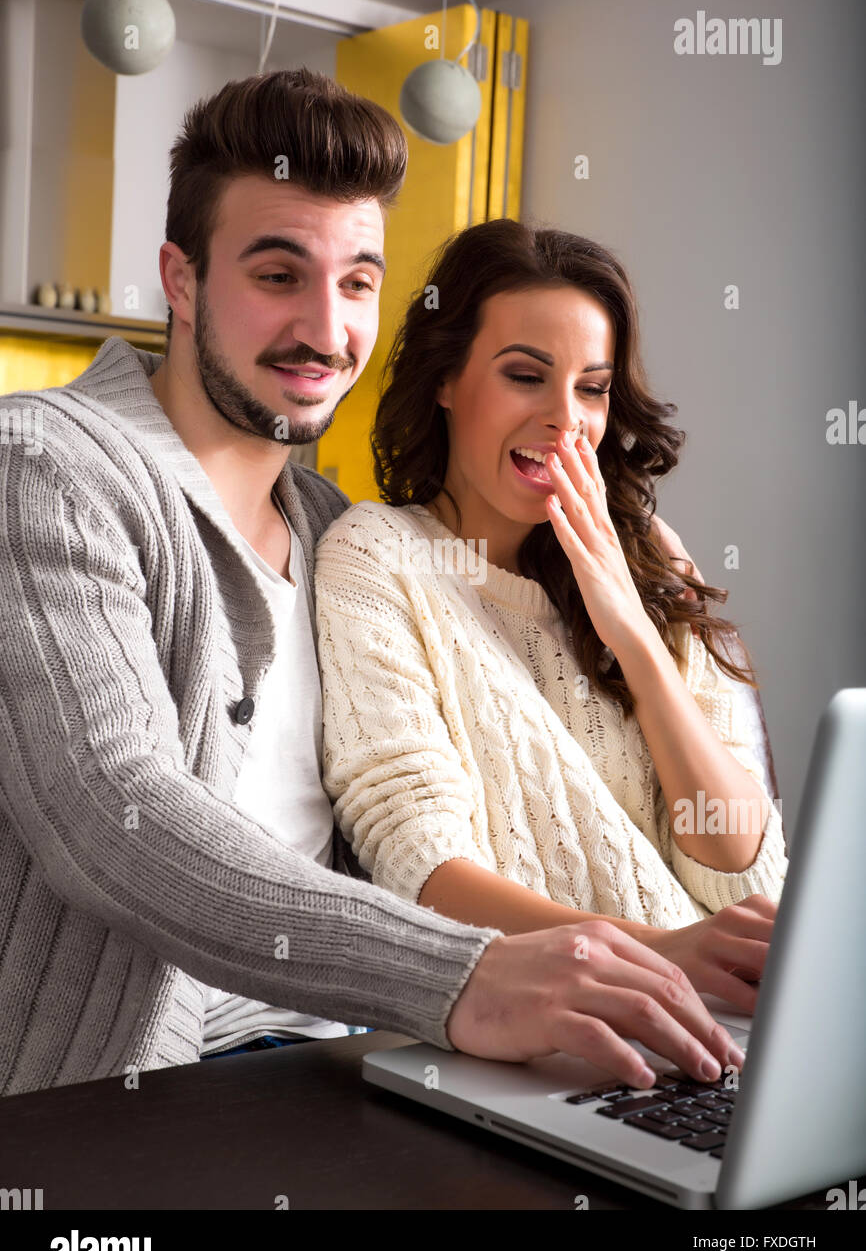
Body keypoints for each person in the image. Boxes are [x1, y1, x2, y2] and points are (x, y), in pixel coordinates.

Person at [0, 68, 743, 1099]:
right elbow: (112, 807)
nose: (324, 327)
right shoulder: (45, 466)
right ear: (179, 279)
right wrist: (459, 973)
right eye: (276, 274)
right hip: (133, 1091)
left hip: (366, 1061)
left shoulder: (334, 528)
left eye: (356, 282)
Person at [314, 218, 787, 1012]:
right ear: (445, 378)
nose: (566, 419)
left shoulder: (651, 557)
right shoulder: (377, 555)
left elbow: (742, 867)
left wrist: (632, 633)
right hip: (549, 1032)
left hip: (723, 1021)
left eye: (592, 388)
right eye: (525, 376)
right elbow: (421, 870)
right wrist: (663, 956)